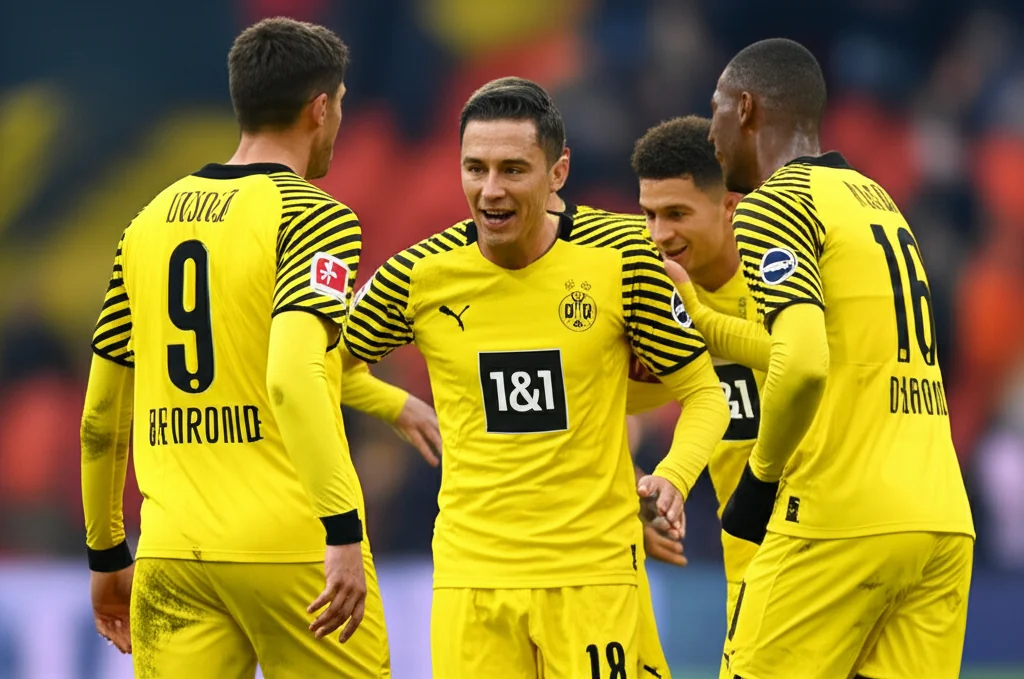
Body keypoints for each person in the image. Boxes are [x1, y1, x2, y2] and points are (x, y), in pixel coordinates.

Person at [344, 76, 729, 679]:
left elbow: (705, 395)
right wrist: (395, 404)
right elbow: (315, 365)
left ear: (558, 173)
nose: (490, 190)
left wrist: (671, 480)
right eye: (475, 168)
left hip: (593, 580)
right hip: (472, 585)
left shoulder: (620, 265)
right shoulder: (418, 275)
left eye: (512, 169)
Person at [80, 17, 399, 678]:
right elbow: (292, 376)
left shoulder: (145, 224)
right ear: (322, 107)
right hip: (294, 549)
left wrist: (108, 551)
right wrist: (342, 528)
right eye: (338, 105)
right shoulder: (314, 214)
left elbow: (101, 418)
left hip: (173, 555)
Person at [668, 38, 974, 679]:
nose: (711, 136)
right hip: (939, 520)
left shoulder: (778, 202)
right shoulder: (876, 203)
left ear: (745, 107)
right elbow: (836, 355)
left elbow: (803, 366)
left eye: (716, 111)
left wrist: (760, 478)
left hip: (838, 518)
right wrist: (711, 326)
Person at [624, 115, 763, 633]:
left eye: (677, 213)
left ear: (729, 204)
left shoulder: (784, 279)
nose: (660, 234)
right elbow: (602, 406)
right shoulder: (650, 299)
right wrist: (634, 487)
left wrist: (704, 322)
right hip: (749, 563)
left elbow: (810, 361)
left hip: (836, 540)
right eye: (649, 215)